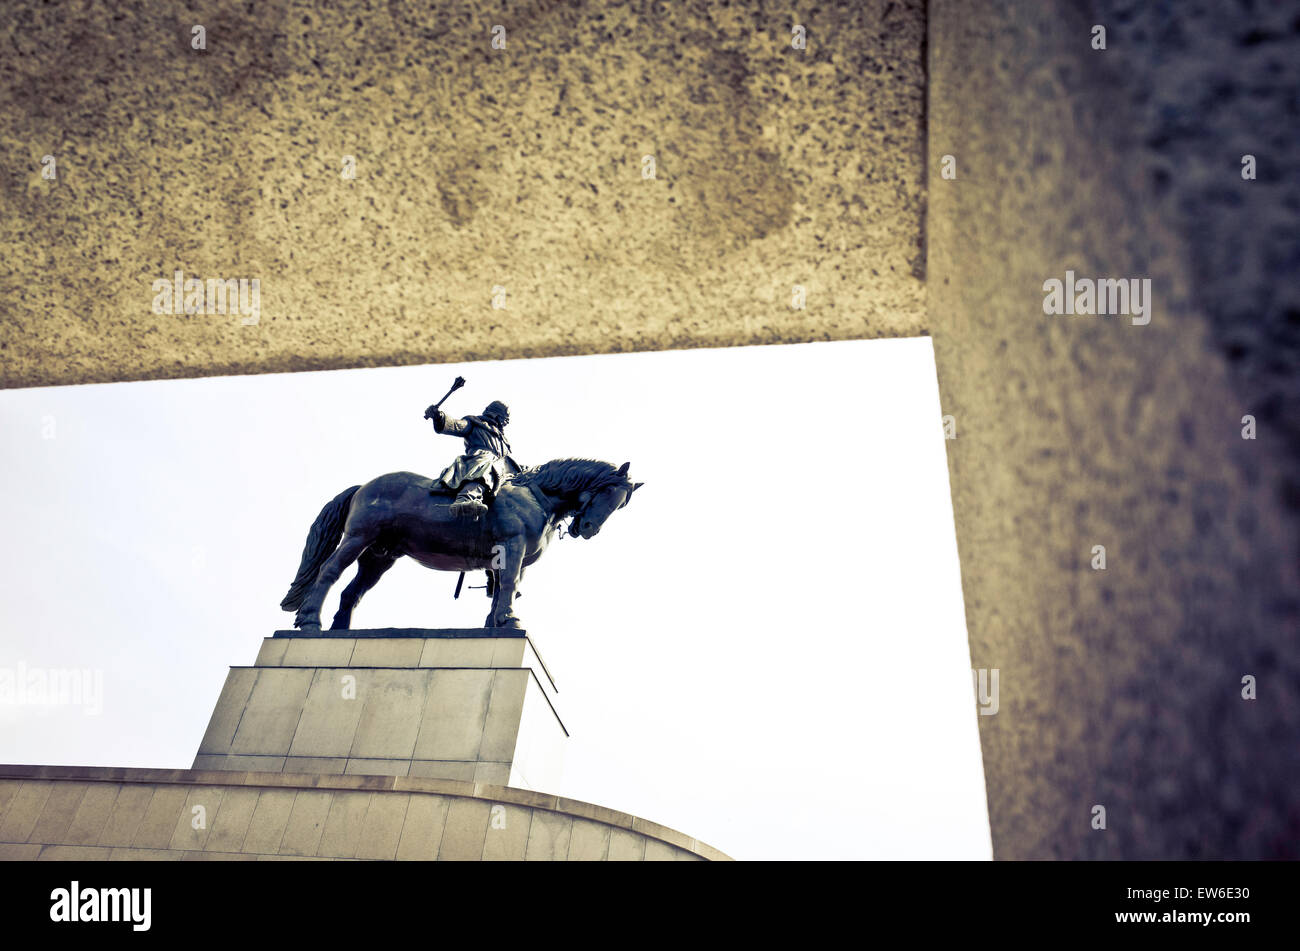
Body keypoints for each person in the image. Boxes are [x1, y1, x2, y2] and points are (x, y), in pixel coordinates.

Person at [425, 400, 514, 518]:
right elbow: (455, 425)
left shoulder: (503, 440)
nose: (507, 422)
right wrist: (439, 416)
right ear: (496, 415)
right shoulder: (475, 423)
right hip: (478, 460)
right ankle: (465, 498)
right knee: (487, 463)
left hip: (501, 469)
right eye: (505, 418)